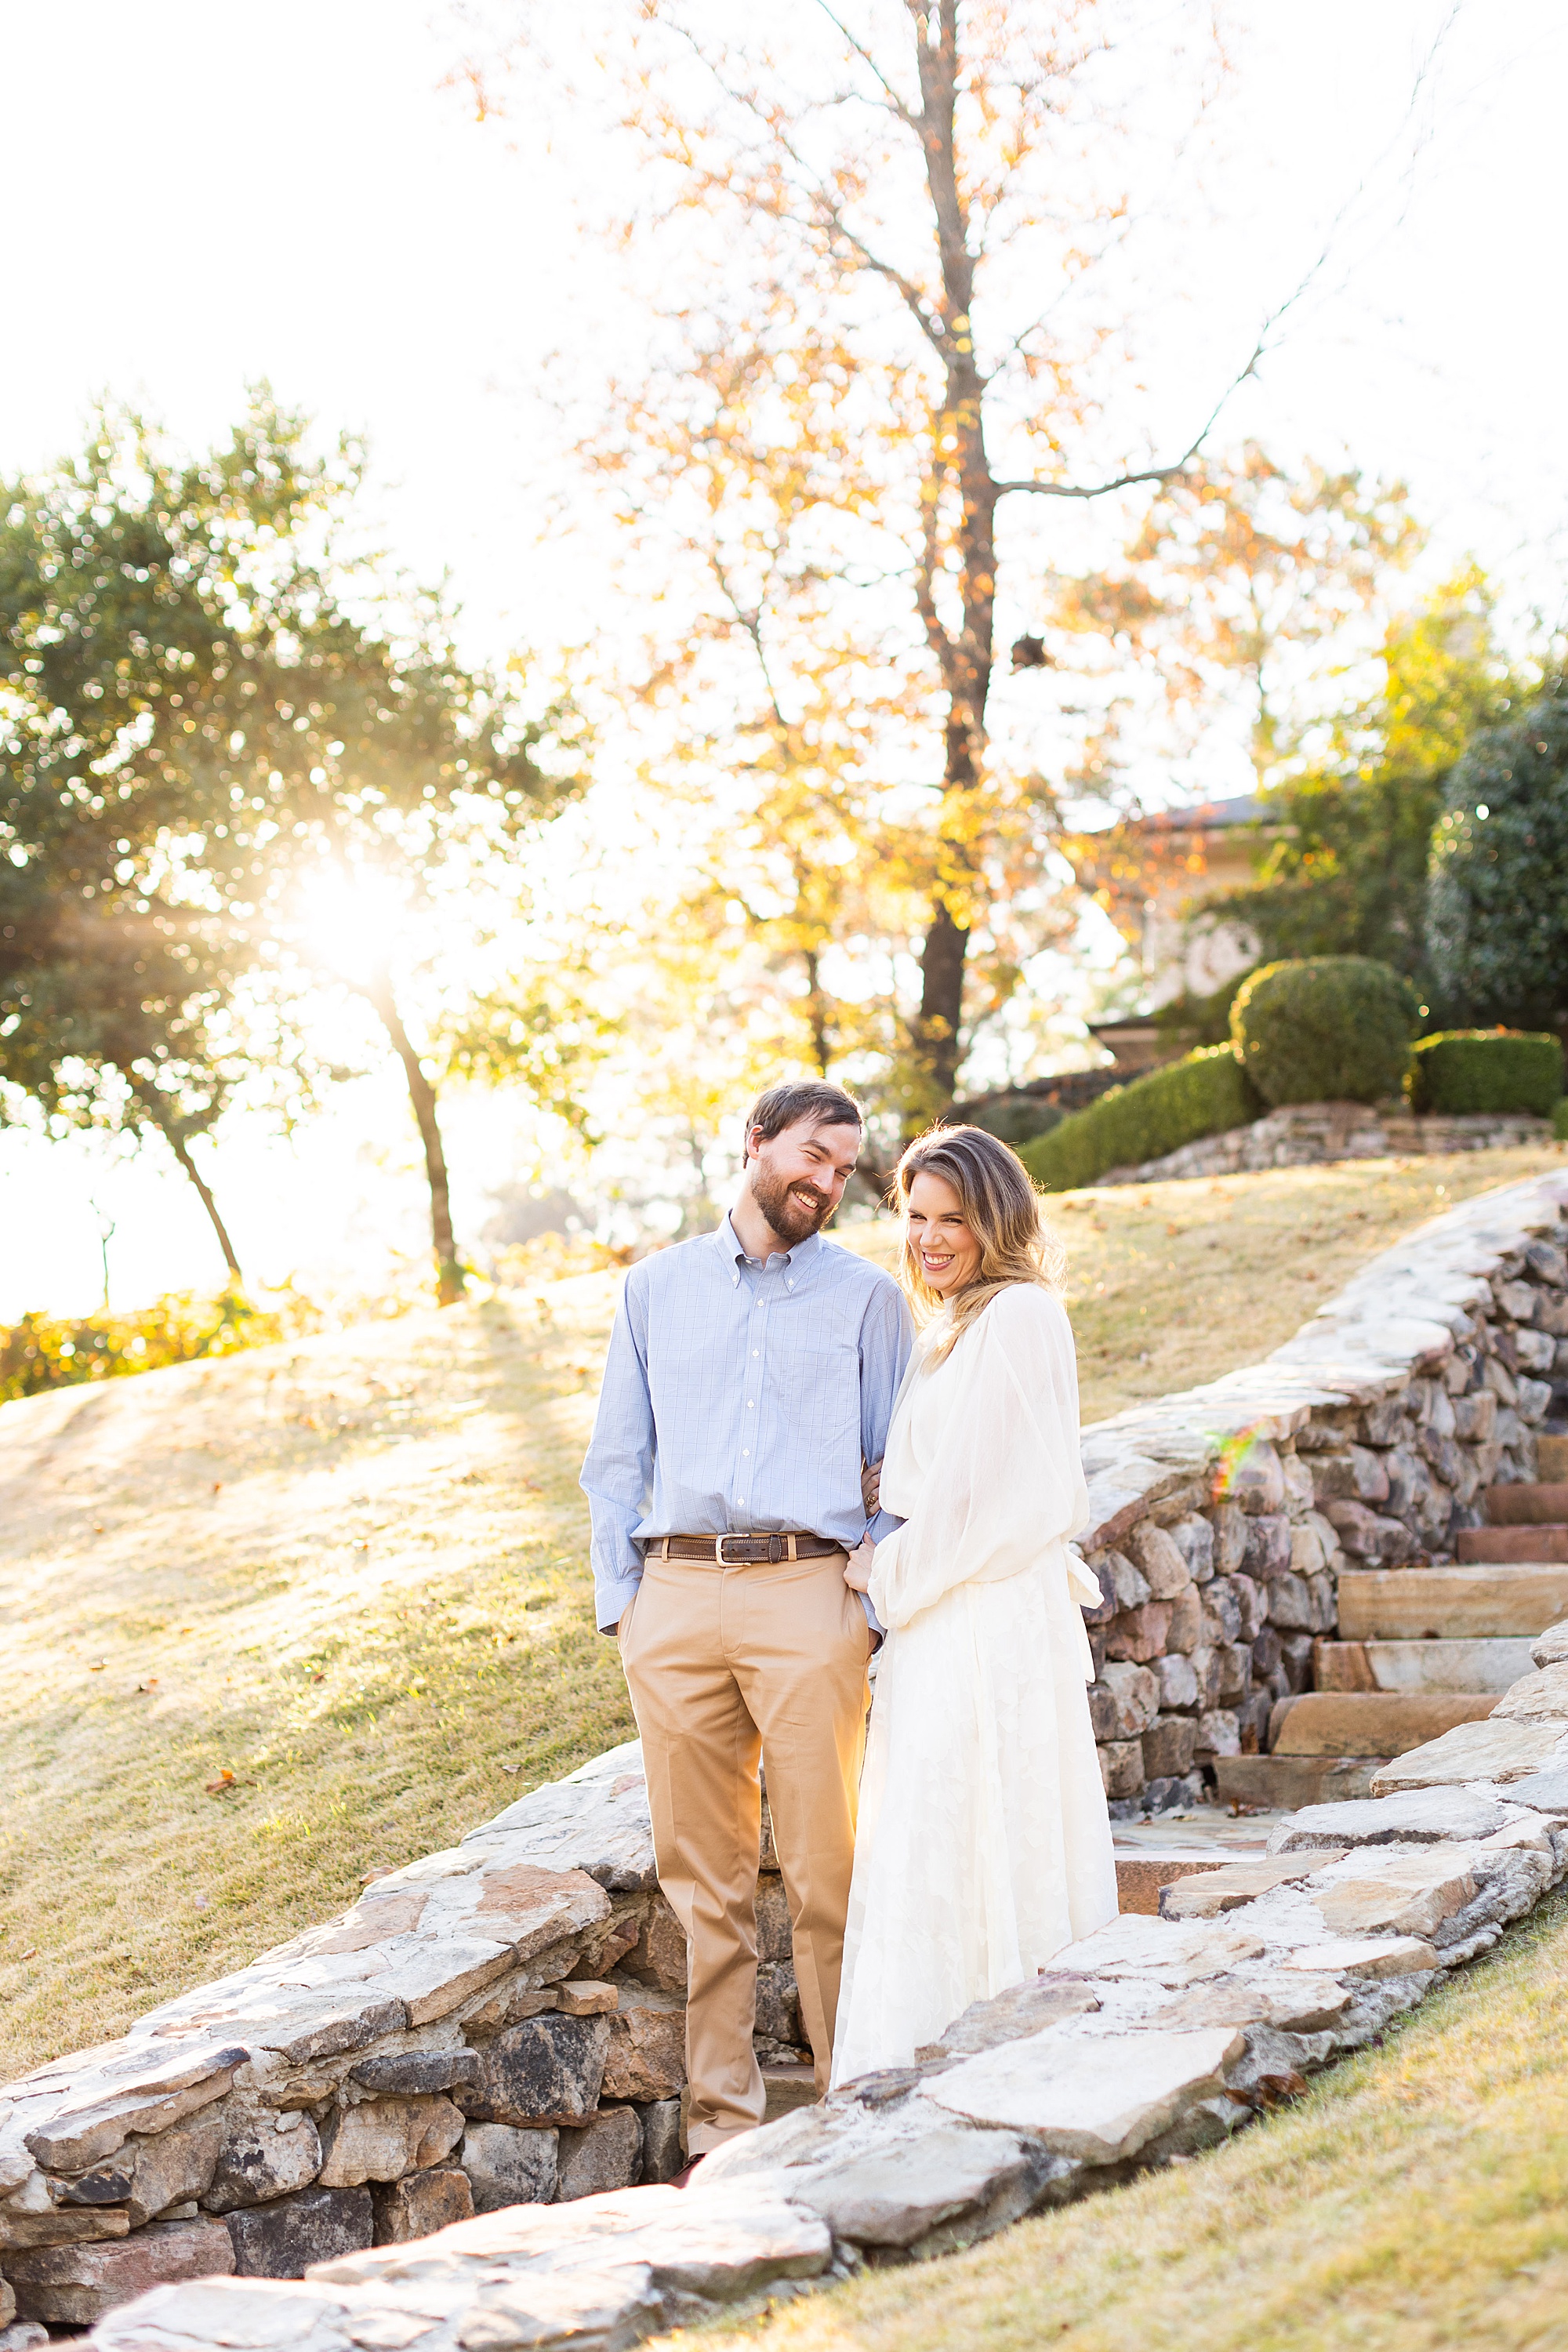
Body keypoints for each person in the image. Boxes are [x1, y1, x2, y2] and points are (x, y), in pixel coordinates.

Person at [581, 1080, 913, 2163]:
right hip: (672, 1599)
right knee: (706, 1889)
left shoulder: (867, 1300)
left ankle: (851, 2105)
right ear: (757, 1144)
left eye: (844, 1169)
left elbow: (897, 1466)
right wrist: (623, 1607)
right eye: (813, 1156)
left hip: (808, 1595)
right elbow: (615, 1461)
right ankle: (722, 2135)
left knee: (829, 1872)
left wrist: (861, 1596)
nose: (827, 1182)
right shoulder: (654, 1289)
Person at [831, 1123, 1117, 2085]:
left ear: (996, 1219)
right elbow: (945, 1471)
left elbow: (986, 1504)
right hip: (945, 1623)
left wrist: (883, 1573)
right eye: (915, 1217)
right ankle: (926, 2059)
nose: (929, 1238)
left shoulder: (1020, 1315)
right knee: (933, 1839)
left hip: (981, 1618)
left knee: (987, 1827)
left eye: (952, 1218)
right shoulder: (950, 1327)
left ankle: (1010, 2064)